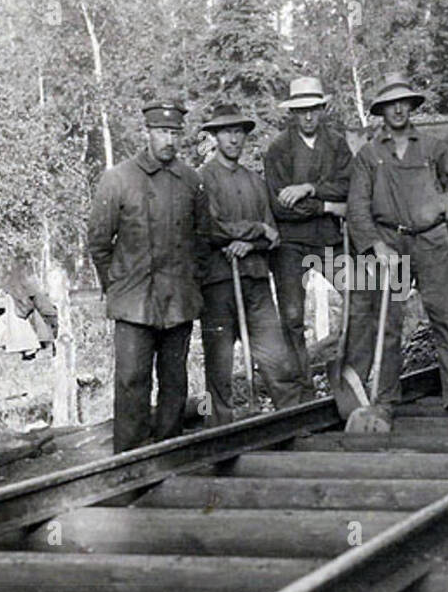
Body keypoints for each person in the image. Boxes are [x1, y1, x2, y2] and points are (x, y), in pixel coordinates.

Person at [346, 72, 448, 422]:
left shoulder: (433, 147)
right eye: (390, 104)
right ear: (381, 110)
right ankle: (384, 400)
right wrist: (374, 245)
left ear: (411, 107)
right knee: (388, 323)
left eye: (404, 103)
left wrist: (445, 206)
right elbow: (357, 207)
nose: (398, 109)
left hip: (431, 240)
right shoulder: (369, 155)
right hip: (390, 244)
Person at [87, 99, 202, 452]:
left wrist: (190, 286)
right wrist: (118, 287)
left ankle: (167, 454)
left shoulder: (190, 180)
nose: (169, 140)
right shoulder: (118, 179)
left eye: (175, 133)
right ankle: (129, 459)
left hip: (178, 300)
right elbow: (99, 242)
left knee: (174, 381)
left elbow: (202, 238)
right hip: (133, 302)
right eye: (162, 132)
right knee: (131, 381)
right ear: (147, 133)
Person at [197, 103, 308, 425]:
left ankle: (290, 424)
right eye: (226, 132)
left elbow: (274, 236)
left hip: (257, 281)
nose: (233, 139)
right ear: (215, 136)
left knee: (278, 360)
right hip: (218, 284)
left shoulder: (256, 181)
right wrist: (256, 229)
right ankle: (215, 430)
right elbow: (210, 228)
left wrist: (252, 241)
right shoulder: (203, 179)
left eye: (238, 132)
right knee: (218, 366)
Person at [263, 77, 353, 395]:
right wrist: (329, 206)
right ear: (293, 113)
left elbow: (350, 186)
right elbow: (281, 207)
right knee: (292, 317)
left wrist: (309, 189)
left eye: (314, 109)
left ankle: (349, 374)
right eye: (302, 111)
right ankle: (301, 389)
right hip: (290, 244)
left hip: (329, 241)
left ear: (323, 109)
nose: (309, 117)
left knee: (358, 296)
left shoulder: (337, 143)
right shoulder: (278, 149)